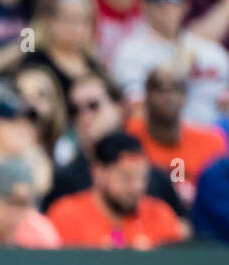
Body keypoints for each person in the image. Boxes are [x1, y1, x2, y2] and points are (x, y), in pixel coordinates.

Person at [42, 71, 185, 217]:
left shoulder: (155, 179)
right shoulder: (63, 182)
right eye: (74, 110)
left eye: (93, 106)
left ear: (119, 108)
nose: (84, 116)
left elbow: (181, 230)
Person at [46, 130, 184, 247]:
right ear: (98, 173)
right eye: (126, 177)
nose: (136, 187)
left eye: (142, 178)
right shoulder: (66, 216)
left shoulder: (160, 215)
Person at [113, 0, 229, 127]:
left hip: (216, 133)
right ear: (145, 7)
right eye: (159, 3)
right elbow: (137, 112)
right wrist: (176, 71)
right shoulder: (130, 52)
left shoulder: (211, 51)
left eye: (174, 2)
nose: (167, 9)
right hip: (165, 135)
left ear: (184, 6)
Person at [125, 66, 228, 207]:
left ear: (185, 96)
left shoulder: (213, 142)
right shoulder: (129, 137)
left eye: (176, 89)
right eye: (159, 88)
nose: (168, 96)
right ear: (146, 96)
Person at [19, 0, 102, 99]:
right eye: (68, 19)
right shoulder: (35, 61)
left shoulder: (93, 62)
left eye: (84, 21)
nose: (77, 28)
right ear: (49, 20)